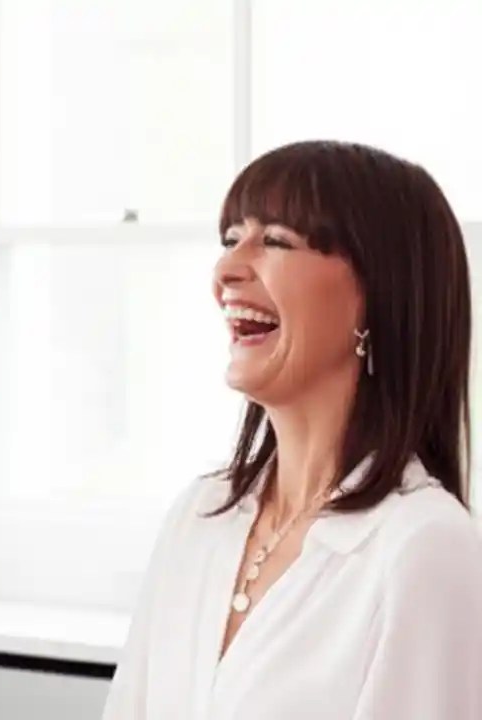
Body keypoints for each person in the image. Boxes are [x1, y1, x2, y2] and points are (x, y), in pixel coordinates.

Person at [102, 140, 482, 719]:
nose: (226, 270)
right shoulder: (201, 516)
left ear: (377, 295)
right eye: (231, 239)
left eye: (275, 241)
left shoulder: (424, 550)